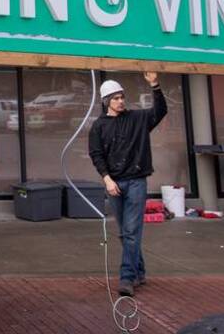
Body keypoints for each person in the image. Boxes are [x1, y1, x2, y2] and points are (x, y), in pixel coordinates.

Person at [87, 71, 167, 298]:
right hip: (114, 184)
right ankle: (139, 271)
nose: (121, 101)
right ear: (106, 102)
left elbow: (160, 111)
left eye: (122, 97)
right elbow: (96, 154)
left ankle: (126, 278)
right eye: (116, 98)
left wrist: (155, 85)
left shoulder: (138, 119)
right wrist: (107, 179)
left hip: (136, 182)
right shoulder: (99, 127)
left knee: (131, 231)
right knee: (125, 233)